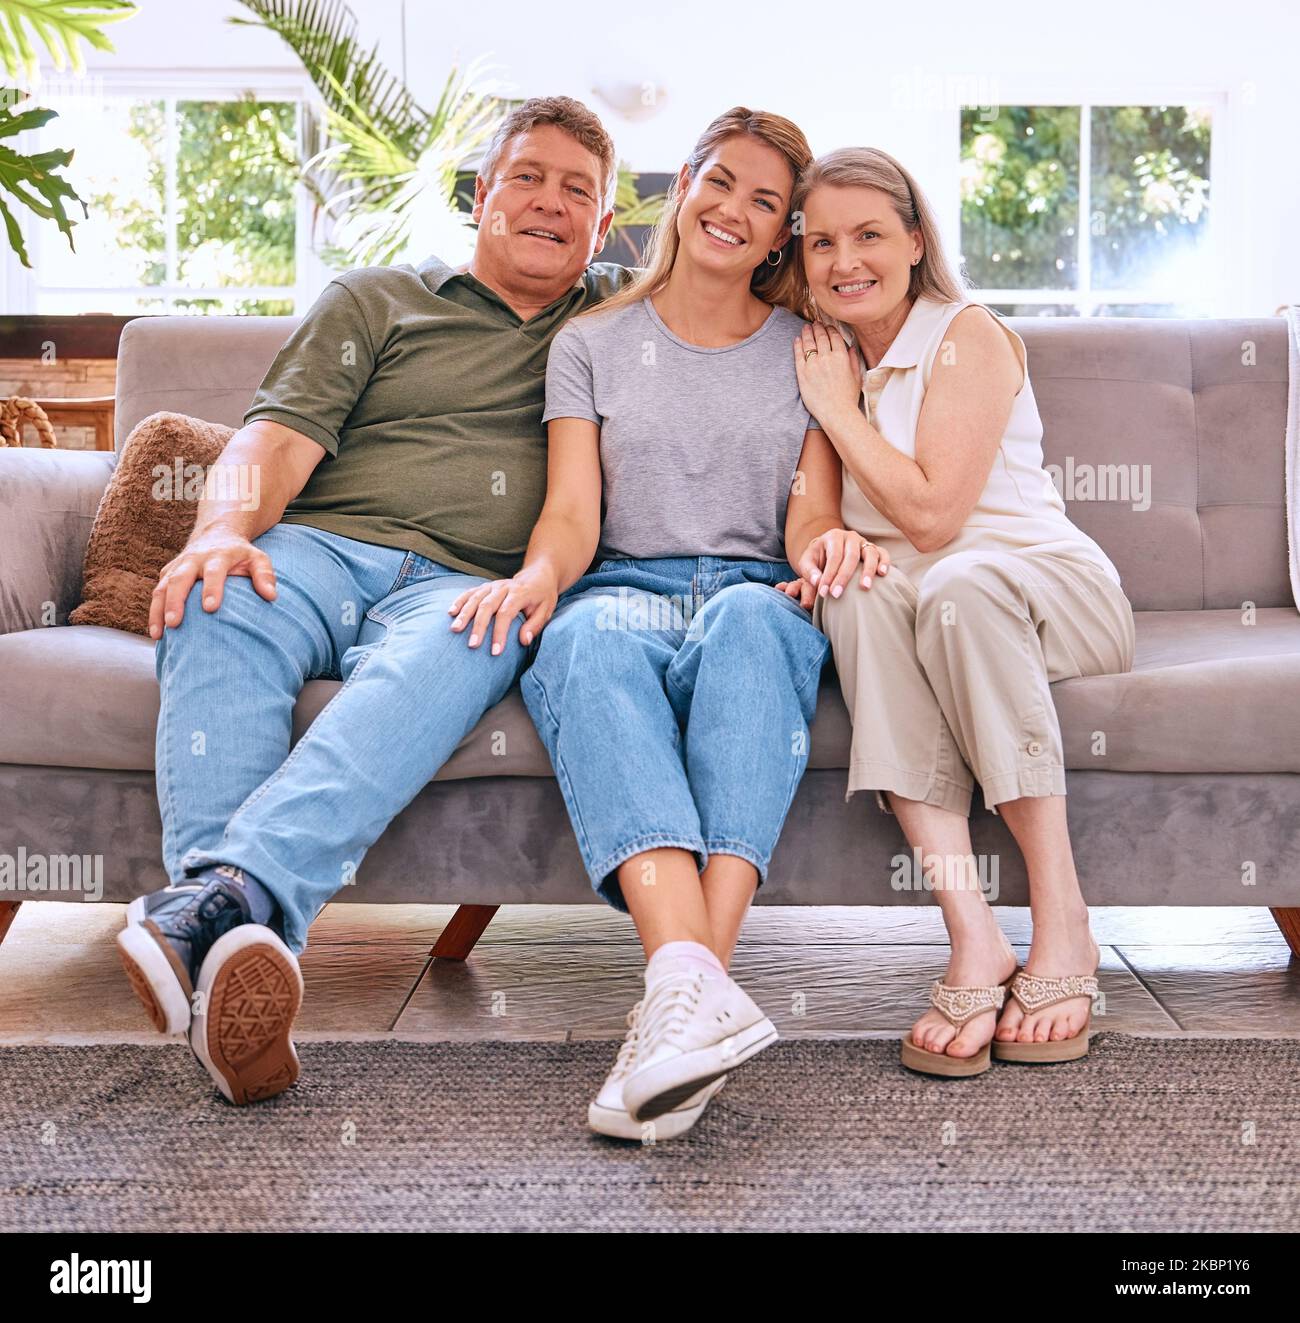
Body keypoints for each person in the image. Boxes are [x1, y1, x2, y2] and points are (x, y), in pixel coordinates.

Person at [116, 96, 630, 1105]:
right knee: (213, 598)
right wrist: (219, 530)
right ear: (481, 194)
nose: (549, 202)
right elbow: (272, 444)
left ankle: (213, 917)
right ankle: (242, 931)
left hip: (466, 587)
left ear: (605, 229)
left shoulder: (617, 323)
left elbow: (751, 271)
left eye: (579, 191)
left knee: (473, 634)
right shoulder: (375, 299)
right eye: (527, 175)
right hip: (319, 553)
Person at [448, 107, 888, 1140]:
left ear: (780, 234)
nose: (735, 209)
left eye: (766, 202)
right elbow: (570, 513)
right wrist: (537, 581)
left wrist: (823, 547)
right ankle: (694, 1003)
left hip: (755, 589)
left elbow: (810, 510)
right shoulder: (589, 343)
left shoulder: (810, 350)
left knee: (744, 623)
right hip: (623, 588)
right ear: (683, 185)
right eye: (721, 182)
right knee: (581, 640)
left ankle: (680, 1003)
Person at [787, 147, 1135, 1077]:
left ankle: (1065, 929)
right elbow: (812, 513)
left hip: (1049, 589)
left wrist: (837, 406)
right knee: (853, 592)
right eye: (820, 241)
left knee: (957, 581)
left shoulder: (963, 334)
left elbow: (936, 517)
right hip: (924, 603)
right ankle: (974, 937)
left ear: (913, 239)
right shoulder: (821, 352)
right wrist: (824, 549)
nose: (842, 260)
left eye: (867, 234)